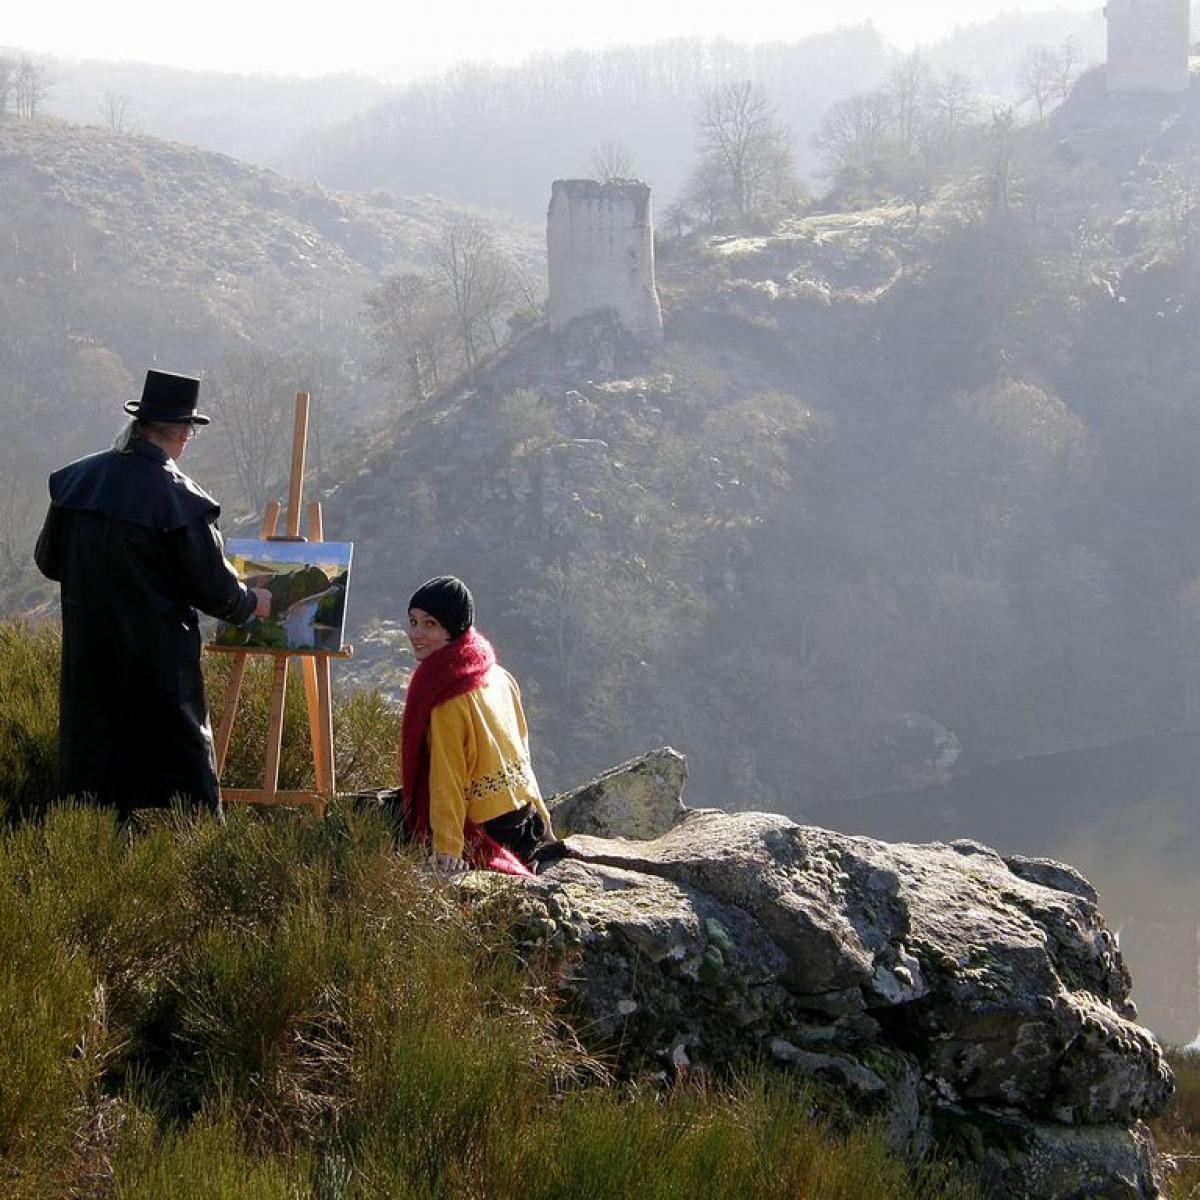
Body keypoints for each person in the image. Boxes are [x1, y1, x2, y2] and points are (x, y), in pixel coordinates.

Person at [34, 368, 271, 816]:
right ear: (183, 433)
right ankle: (200, 855)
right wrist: (249, 601)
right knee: (186, 787)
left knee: (94, 789)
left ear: (140, 423)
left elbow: (49, 561)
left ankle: (94, 853)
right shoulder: (180, 498)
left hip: (89, 663)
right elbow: (214, 589)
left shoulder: (76, 483)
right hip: (158, 670)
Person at [398, 575, 568, 876]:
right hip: (525, 824)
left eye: (430, 624)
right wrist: (543, 822)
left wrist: (448, 849)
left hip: (488, 833)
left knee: (371, 813)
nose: (415, 634)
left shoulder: (446, 699)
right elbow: (522, 756)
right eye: (413, 622)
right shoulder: (498, 675)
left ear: (454, 627)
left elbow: (447, 778)